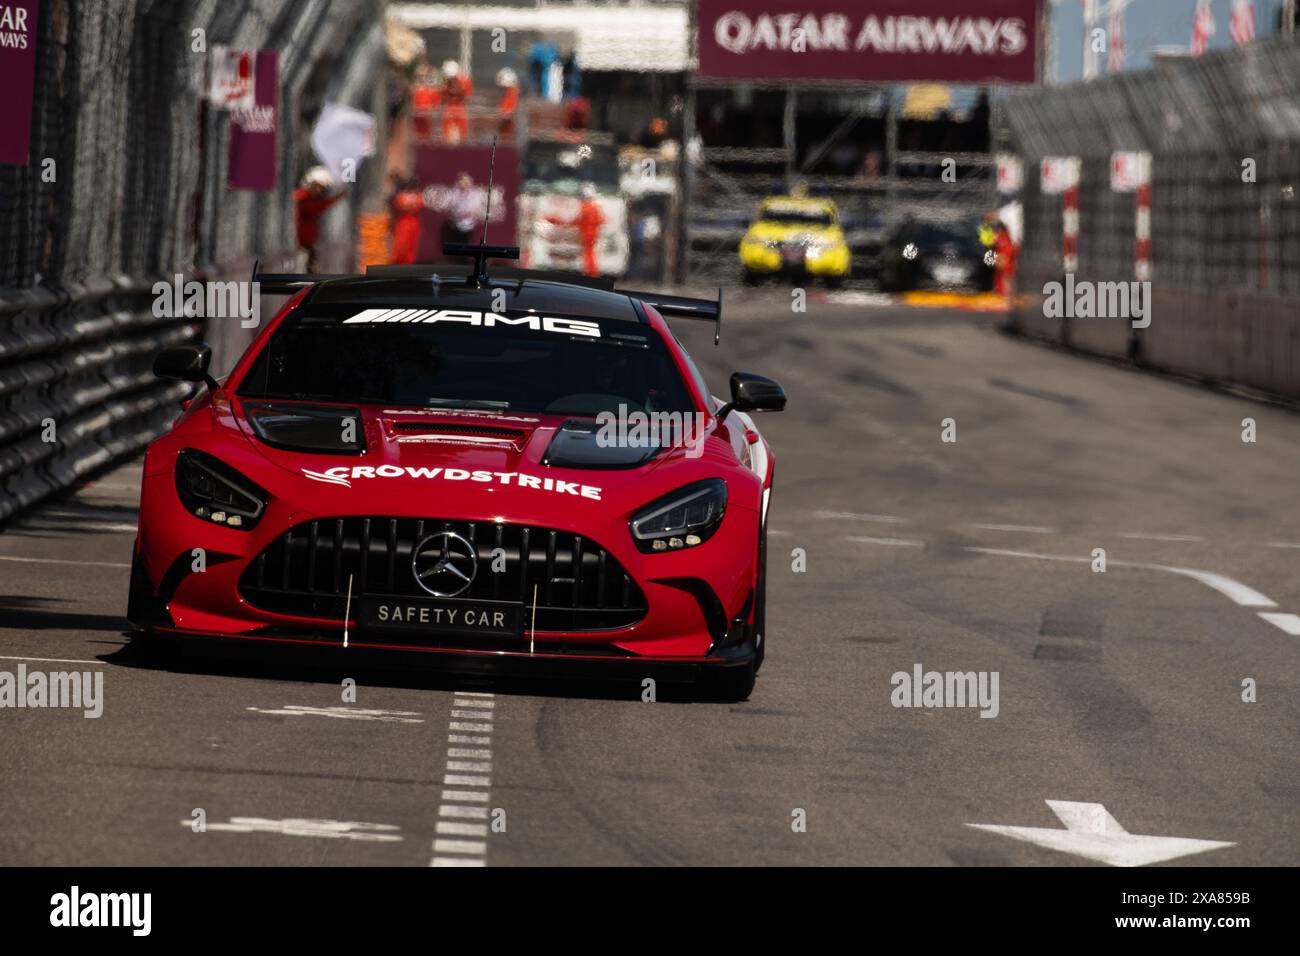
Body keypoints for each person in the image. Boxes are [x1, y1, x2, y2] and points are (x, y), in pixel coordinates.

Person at [294, 167, 346, 273]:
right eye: (317, 187)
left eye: (322, 188)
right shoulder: (301, 197)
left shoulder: (310, 198)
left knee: (311, 267)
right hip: (299, 243)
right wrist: (336, 198)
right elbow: (316, 207)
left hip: (307, 242)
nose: (319, 191)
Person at [440, 172, 483, 252]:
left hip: (469, 226)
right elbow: (450, 207)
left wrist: (468, 212)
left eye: (467, 181)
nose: (465, 183)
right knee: (457, 246)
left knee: (468, 246)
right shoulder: (454, 193)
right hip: (456, 225)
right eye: (462, 181)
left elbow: (476, 209)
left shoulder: (475, 194)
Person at [573, 181, 605, 279]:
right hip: (593, 233)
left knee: (588, 254)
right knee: (591, 254)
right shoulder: (595, 207)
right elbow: (600, 220)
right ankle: (592, 272)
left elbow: (579, 220)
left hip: (586, 233)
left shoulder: (584, 207)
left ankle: (591, 273)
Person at [390, 177, 424, 265]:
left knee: (411, 246)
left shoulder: (418, 196)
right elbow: (399, 204)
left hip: (413, 223)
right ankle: (396, 263)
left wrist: (409, 203)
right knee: (400, 245)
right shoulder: (402, 195)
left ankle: (407, 264)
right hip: (403, 222)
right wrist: (409, 204)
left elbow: (419, 205)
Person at [440, 59, 473, 145]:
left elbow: (467, 98)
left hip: (460, 110)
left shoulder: (465, 81)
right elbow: (442, 99)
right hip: (449, 110)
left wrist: (458, 89)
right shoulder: (445, 83)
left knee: (462, 137)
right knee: (447, 138)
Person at [410, 64, 441, 144]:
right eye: (420, 76)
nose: (422, 78)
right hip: (418, 116)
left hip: (428, 117)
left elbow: (436, 105)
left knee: (428, 136)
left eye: (425, 76)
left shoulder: (432, 90)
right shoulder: (415, 90)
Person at [993, 219, 1019, 298]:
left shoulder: (1003, 239)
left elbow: (1003, 258)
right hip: (1006, 269)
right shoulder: (1002, 239)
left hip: (1007, 269)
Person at [495, 67, 520, 137]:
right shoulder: (510, 94)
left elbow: (507, 115)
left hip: (509, 133)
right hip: (507, 132)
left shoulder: (511, 94)